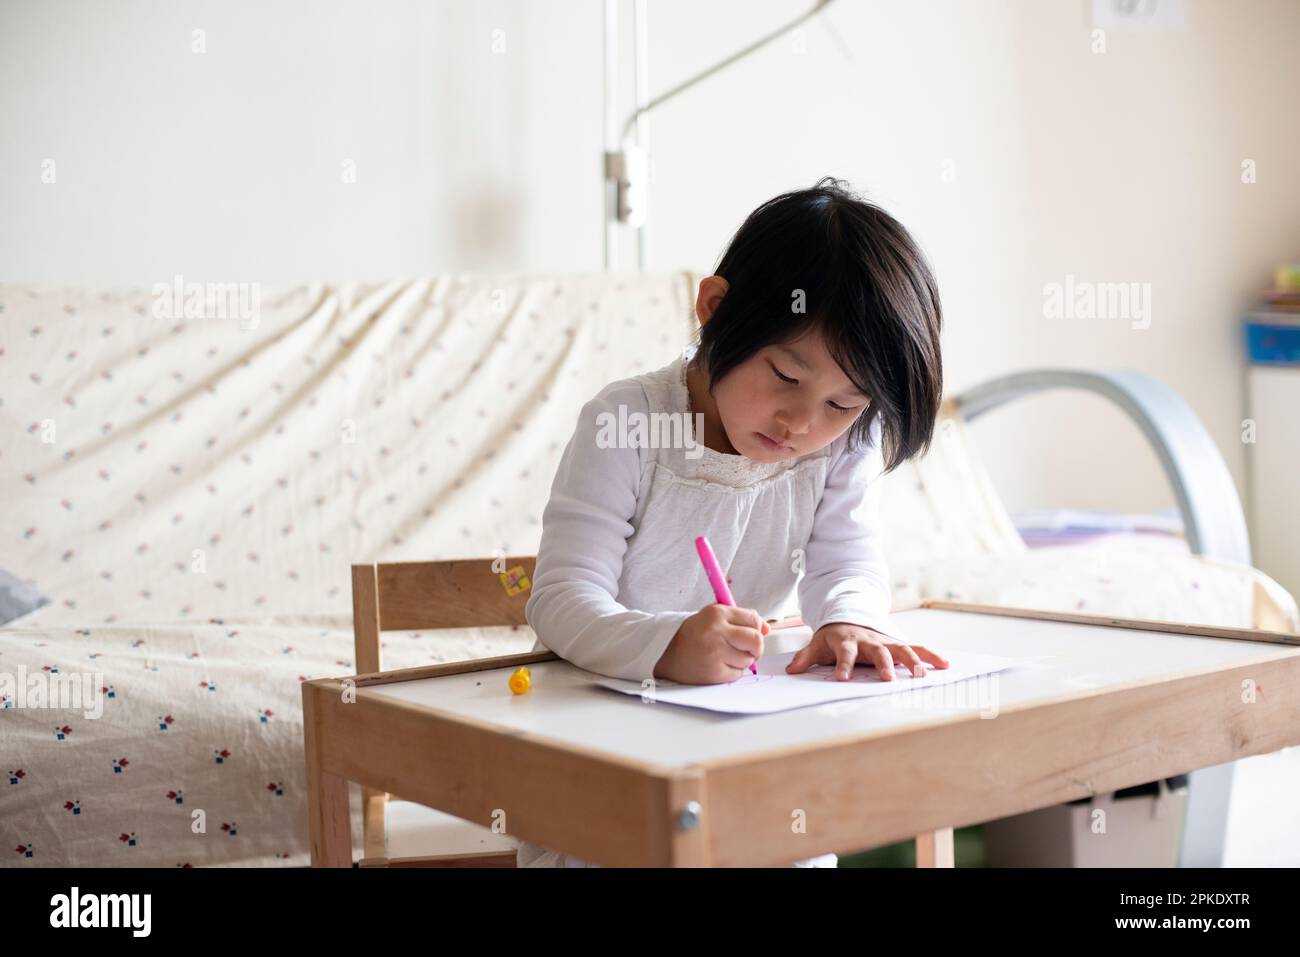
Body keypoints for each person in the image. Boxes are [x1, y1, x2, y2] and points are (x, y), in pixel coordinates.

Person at [521, 176, 949, 867]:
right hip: (605, 754)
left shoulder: (842, 444)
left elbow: (847, 563)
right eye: (785, 376)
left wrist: (852, 618)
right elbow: (560, 600)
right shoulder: (627, 424)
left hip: (743, 741)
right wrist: (665, 645)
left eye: (843, 404)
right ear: (717, 309)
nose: (803, 423)